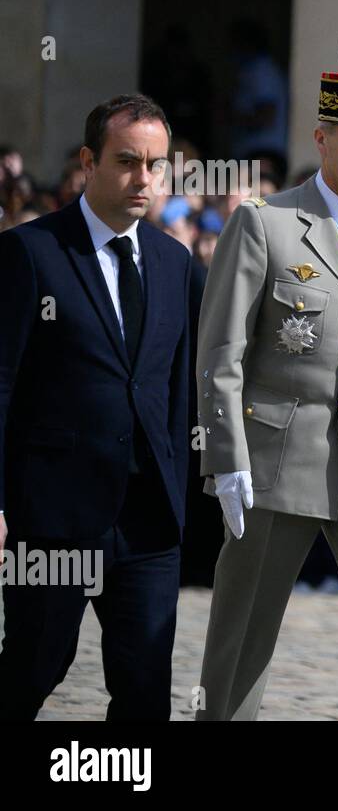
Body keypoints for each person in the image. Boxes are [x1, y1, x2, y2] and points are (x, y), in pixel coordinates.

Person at [194, 72, 338, 720]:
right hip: (276, 457)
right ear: (322, 137)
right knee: (243, 630)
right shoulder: (265, 223)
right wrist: (226, 457)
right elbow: (222, 353)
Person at [0, 94, 192, 719]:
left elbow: (174, 391)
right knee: (34, 666)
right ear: (89, 161)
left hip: (148, 522)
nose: (144, 179)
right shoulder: (31, 253)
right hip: (54, 516)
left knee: (143, 688)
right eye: (128, 162)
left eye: (157, 165)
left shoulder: (174, 262)